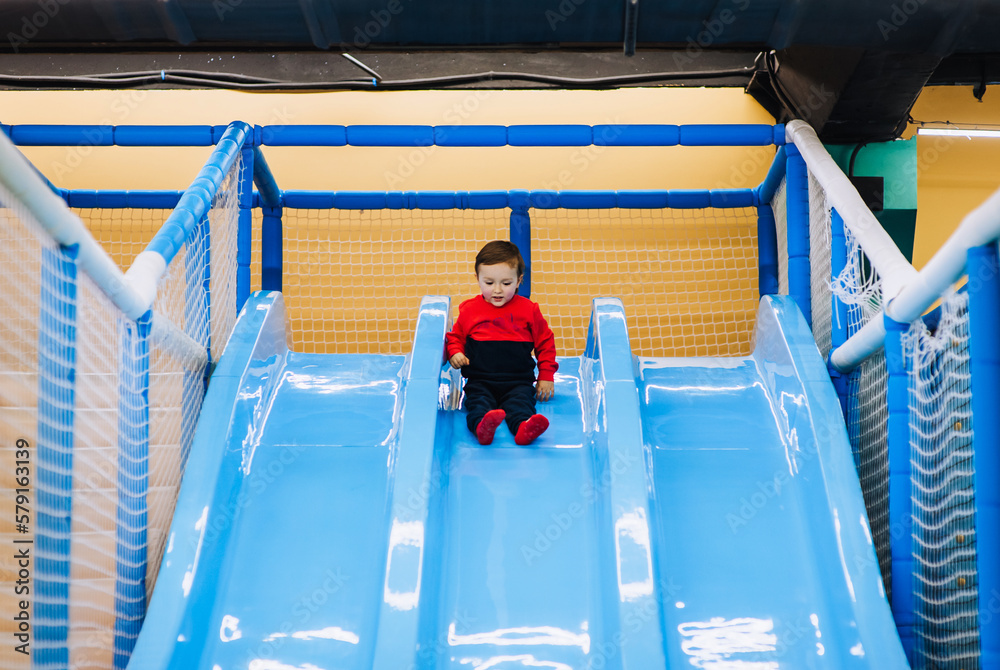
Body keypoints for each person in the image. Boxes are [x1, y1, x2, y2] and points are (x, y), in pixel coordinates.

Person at [446, 240, 557, 445]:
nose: (497, 290)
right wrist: (455, 352)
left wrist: (546, 375)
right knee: (478, 404)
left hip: (518, 381)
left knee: (521, 405)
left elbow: (545, 343)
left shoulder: (528, 310)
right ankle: (482, 427)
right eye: (489, 283)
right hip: (480, 380)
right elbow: (455, 337)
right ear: (477, 279)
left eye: (506, 283)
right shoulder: (470, 310)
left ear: (519, 280)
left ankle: (524, 429)